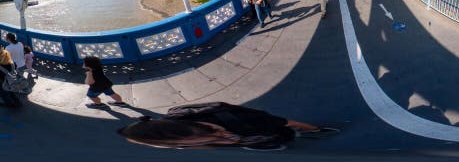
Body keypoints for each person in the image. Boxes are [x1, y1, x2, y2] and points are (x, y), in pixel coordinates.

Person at [117, 102, 337, 151]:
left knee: (270, 133)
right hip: (235, 116)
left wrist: (230, 139)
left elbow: (210, 144)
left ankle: (287, 138)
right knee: (284, 121)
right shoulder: (174, 114)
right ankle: (317, 130)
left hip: (238, 133)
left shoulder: (175, 143)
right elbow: (210, 106)